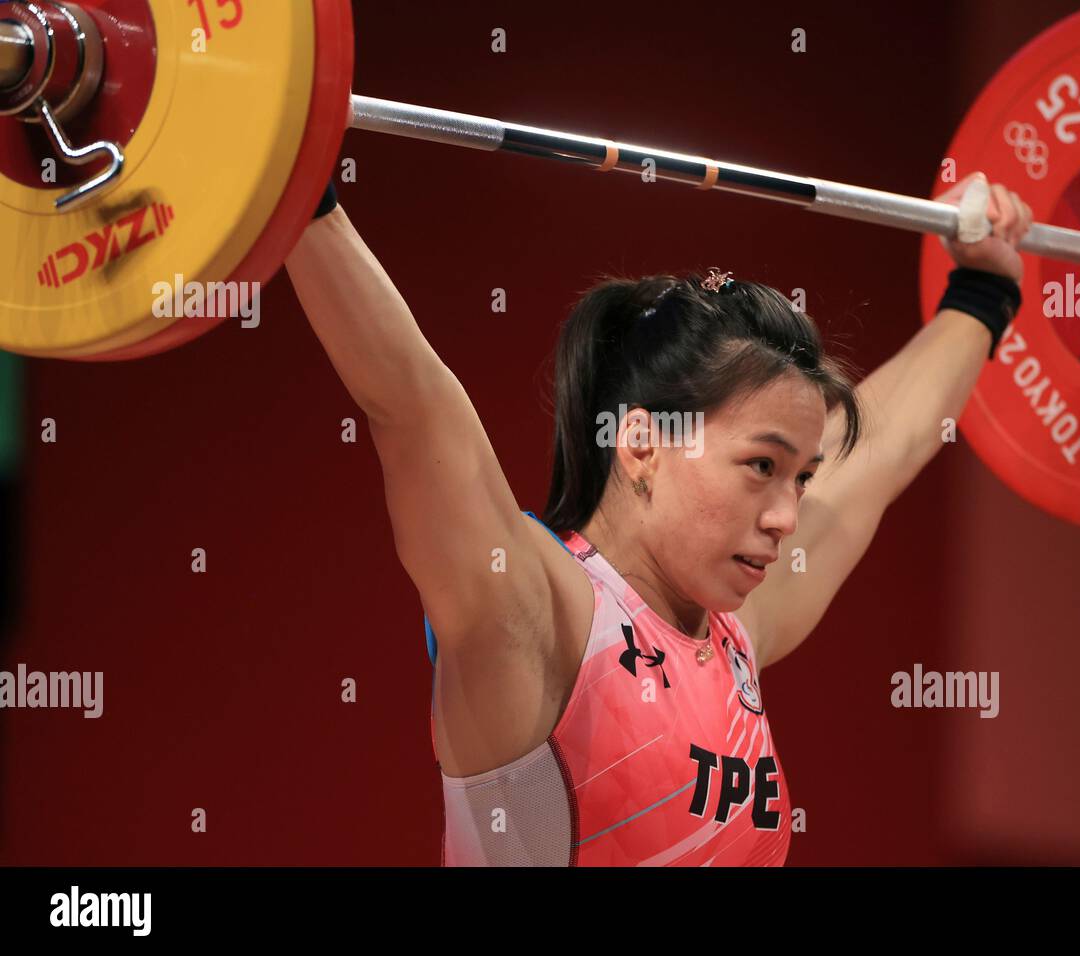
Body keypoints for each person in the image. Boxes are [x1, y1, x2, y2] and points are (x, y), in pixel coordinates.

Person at [284, 171, 1033, 866]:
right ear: (642, 444)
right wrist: (301, 190)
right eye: (762, 467)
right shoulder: (536, 616)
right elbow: (411, 403)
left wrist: (982, 293)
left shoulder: (732, 634)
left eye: (801, 478)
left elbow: (882, 452)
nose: (787, 517)